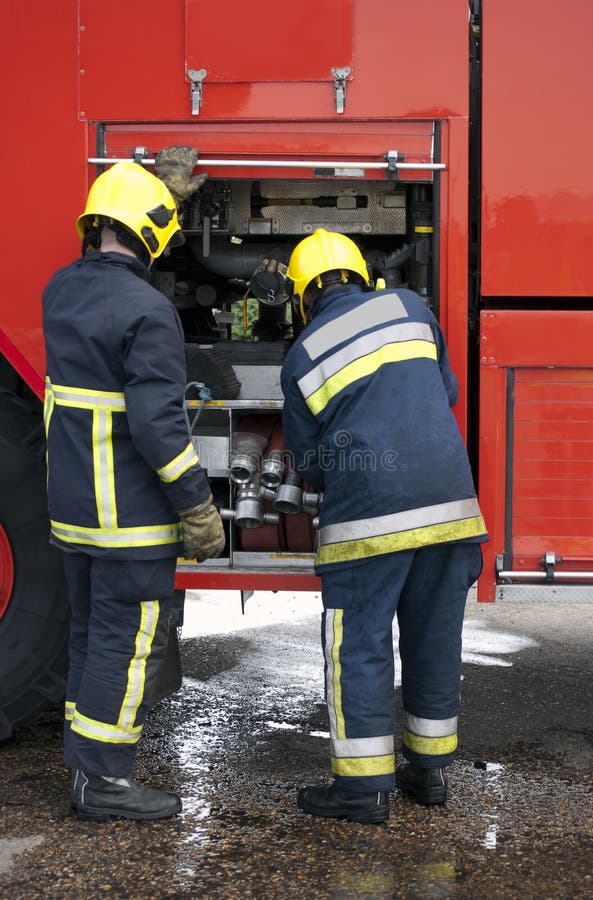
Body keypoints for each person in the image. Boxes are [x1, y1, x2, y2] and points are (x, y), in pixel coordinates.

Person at [280, 229, 487, 824]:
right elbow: (443, 391)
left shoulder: (303, 355)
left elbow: (312, 462)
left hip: (369, 523)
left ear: (303, 297)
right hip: (451, 512)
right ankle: (428, 775)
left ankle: (362, 792)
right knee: (434, 638)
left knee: (361, 645)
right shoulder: (411, 309)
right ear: (362, 277)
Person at [42, 161, 225, 821]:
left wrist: (148, 194)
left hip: (74, 512)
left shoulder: (60, 290)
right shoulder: (148, 309)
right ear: (150, 231)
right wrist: (197, 507)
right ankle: (105, 784)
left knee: (92, 635)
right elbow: (157, 427)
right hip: (130, 519)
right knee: (125, 641)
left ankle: (85, 767)